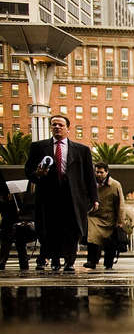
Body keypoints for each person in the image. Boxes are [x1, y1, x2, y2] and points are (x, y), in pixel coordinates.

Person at [24, 114, 98, 273]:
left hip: (73, 196)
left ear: (68, 129)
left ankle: (70, 261)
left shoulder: (82, 150)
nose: (57, 127)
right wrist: (37, 174)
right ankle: (55, 260)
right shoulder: (38, 147)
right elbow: (28, 171)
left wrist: (94, 198)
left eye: (60, 125)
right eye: (54, 125)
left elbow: (89, 176)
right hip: (48, 196)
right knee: (51, 229)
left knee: (71, 230)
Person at [85, 163, 125, 270]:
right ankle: (92, 261)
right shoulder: (90, 183)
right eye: (97, 172)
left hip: (110, 218)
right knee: (92, 238)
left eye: (101, 172)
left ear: (107, 172)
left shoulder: (115, 185)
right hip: (95, 216)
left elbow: (120, 204)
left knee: (110, 242)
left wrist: (120, 220)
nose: (99, 174)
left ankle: (108, 264)